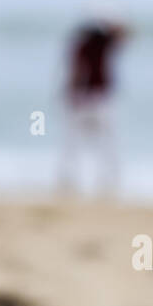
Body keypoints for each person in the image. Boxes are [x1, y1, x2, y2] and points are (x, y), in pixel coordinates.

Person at [58, 19, 128, 195]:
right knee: (105, 143)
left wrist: (70, 95)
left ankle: (73, 180)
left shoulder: (87, 46)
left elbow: (75, 73)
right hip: (97, 99)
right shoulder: (102, 45)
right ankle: (106, 181)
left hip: (87, 98)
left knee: (76, 144)